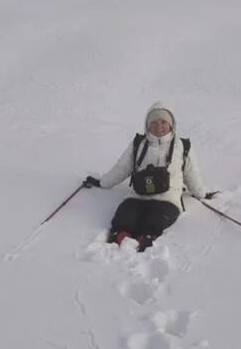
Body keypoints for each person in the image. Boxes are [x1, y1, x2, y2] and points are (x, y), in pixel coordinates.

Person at [83, 102, 213, 249]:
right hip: (138, 195)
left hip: (168, 200)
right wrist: (102, 182)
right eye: (154, 122)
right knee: (125, 214)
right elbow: (121, 168)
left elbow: (192, 175)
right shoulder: (138, 143)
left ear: (171, 125)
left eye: (164, 122)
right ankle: (120, 237)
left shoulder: (182, 146)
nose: (159, 126)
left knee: (155, 220)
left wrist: (202, 193)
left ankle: (146, 239)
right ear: (147, 125)